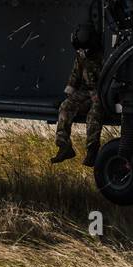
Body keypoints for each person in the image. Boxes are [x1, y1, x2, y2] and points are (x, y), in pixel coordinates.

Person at [52, 23, 105, 165]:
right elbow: (75, 74)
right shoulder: (81, 55)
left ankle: (92, 150)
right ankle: (64, 146)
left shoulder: (104, 55)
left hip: (102, 93)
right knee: (65, 107)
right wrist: (69, 94)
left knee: (94, 114)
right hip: (85, 91)